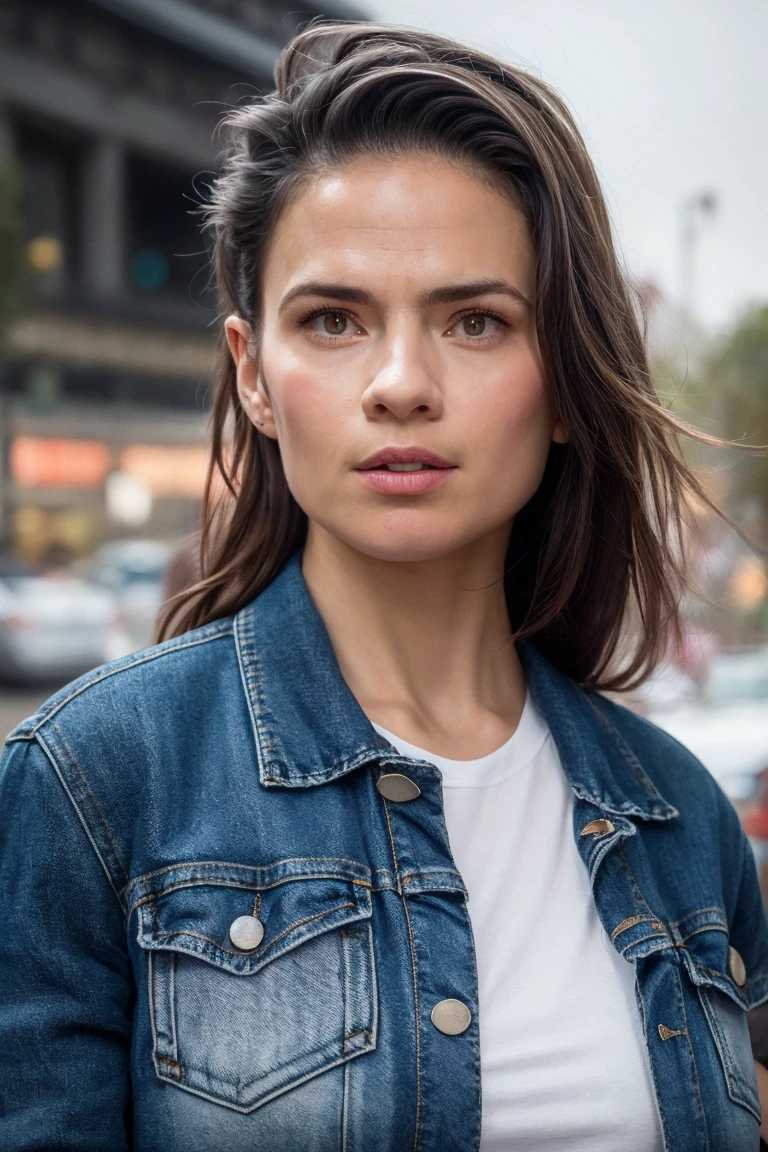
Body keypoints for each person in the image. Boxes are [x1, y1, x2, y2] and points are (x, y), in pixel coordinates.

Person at [0, 23, 766, 1152]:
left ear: (564, 382)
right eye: (333, 320)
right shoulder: (93, 787)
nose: (401, 385)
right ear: (255, 375)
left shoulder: (683, 820)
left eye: (475, 321)